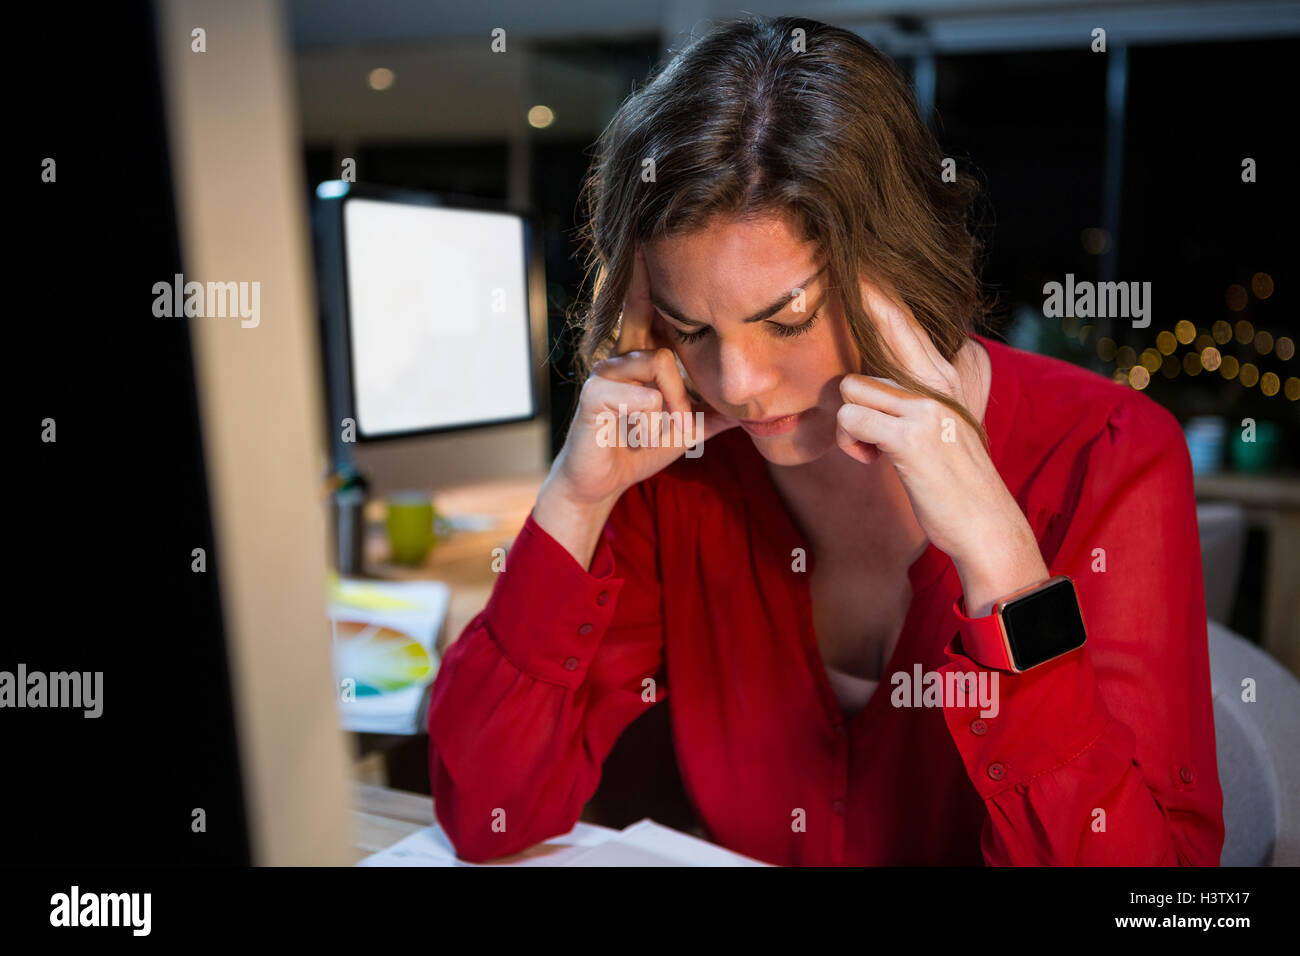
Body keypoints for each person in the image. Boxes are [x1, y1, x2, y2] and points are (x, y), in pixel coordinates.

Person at [426, 15, 1225, 866]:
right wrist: (575, 500)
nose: (737, 384)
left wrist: (1003, 565)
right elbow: (489, 817)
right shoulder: (681, 460)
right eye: (693, 327)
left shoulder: (1109, 450)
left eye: (789, 317)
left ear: (899, 262)